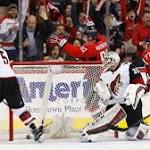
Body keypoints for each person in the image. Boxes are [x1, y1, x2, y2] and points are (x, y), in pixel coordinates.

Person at [80, 51, 149, 142]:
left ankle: (143, 127)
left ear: (115, 60)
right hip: (118, 104)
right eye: (105, 60)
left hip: (132, 103)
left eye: (109, 60)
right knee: (110, 123)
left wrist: (132, 95)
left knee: (133, 134)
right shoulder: (105, 75)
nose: (106, 63)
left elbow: (140, 83)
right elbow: (107, 96)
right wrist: (102, 94)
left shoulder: (127, 67)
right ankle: (90, 132)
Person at [0, 48, 43, 142]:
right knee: (20, 109)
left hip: (1, 79)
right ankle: (35, 131)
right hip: (12, 79)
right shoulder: (3, 51)